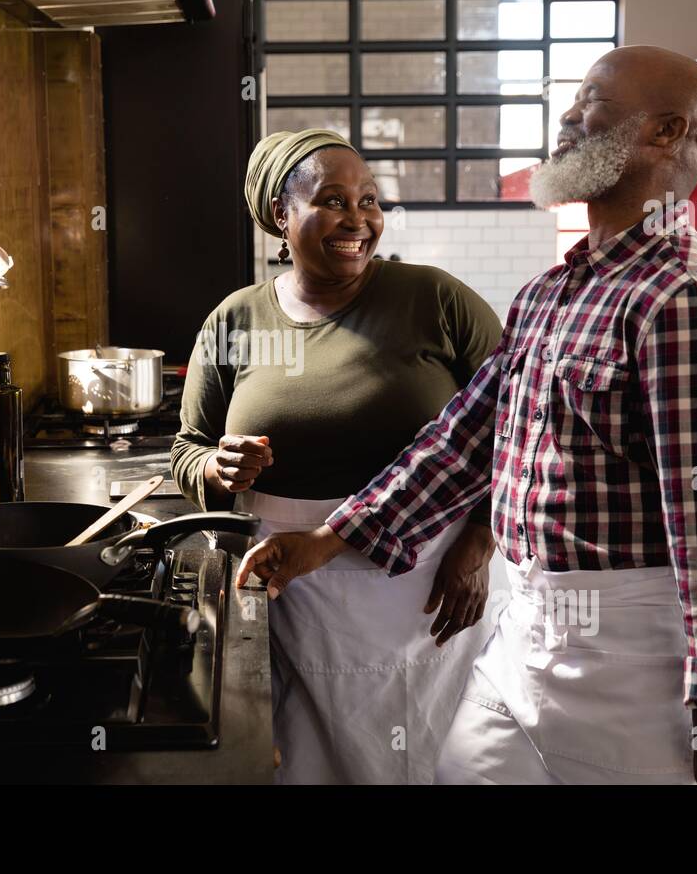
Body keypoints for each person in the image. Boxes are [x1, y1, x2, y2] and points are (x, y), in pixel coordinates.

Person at [237, 48, 697, 785]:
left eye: (592, 100)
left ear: (665, 132)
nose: (566, 116)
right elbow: (463, 441)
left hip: (638, 663)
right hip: (523, 631)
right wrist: (329, 540)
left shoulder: (682, 302)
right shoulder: (553, 293)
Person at [171, 128, 509, 784]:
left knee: (431, 758)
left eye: (370, 200)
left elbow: (518, 424)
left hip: (426, 578)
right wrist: (217, 468)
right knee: (310, 761)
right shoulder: (235, 322)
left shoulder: (435, 301)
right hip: (287, 583)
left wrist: (481, 535)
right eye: (332, 200)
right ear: (280, 214)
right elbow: (186, 450)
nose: (359, 219)